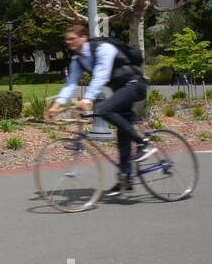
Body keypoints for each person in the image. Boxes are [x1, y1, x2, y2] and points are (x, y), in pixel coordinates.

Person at [45, 24, 154, 197]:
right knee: (122, 136)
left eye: (72, 38)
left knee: (103, 110)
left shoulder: (103, 48)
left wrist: (87, 99)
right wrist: (56, 105)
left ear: (83, 37)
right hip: (120, 90)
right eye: (67, 39)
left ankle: (143, 142)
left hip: (134, 84)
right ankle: (125, 179)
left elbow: (101, 75)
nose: (69, 42)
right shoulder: (77, 60)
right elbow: (71, 84)